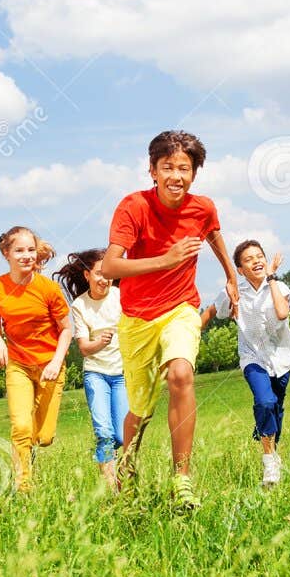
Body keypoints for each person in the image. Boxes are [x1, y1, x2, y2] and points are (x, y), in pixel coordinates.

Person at [102, 130, 237, 510]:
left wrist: (230, 276)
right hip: (137, 319)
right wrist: (167, 259)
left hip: (181, 308)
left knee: (180, 374)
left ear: (194, 173)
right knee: (141, 410)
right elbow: (111, 265)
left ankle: (182, 479)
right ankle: (126, 474)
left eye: (184, 168)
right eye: (168, 167)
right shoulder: (133, 206)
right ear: (153, 170)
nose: (176, 175)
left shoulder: (203, 207)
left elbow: (213, 235)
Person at [201, 241, 290, 487]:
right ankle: (270, 464)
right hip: (252, 357)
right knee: (265, 401)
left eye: (260, 256)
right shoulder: (235, 291)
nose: (256, 261)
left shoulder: (278, 286)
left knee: (275, 408)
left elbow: (282, 312)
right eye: (249, 259)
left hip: (282, 357)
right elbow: (212, 311)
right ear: (239, 268)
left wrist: (272, 278)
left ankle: (269, 444)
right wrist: (190, 336)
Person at [0, 226, 72, 490]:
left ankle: (29, 448)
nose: (26, 256)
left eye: (31, 250)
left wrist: (56, 362)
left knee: (44, 437)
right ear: (6, 253)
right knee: (21, 427)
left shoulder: (48, 288)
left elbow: (67, 328)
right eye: (19, 250)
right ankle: (24, 488)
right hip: (19, 366)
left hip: (50, 365)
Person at [55, 248, 126, 490]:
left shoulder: (120, 296)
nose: (104, 279)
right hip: (96, 374)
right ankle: (110, 489)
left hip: (122, 375)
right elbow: (84, 347)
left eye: (108, 273)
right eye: (98, 273)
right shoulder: (79, 306)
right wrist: (100, 342)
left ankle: (122, 475)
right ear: (87, 275)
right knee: (104, 433)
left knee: (123, 436)